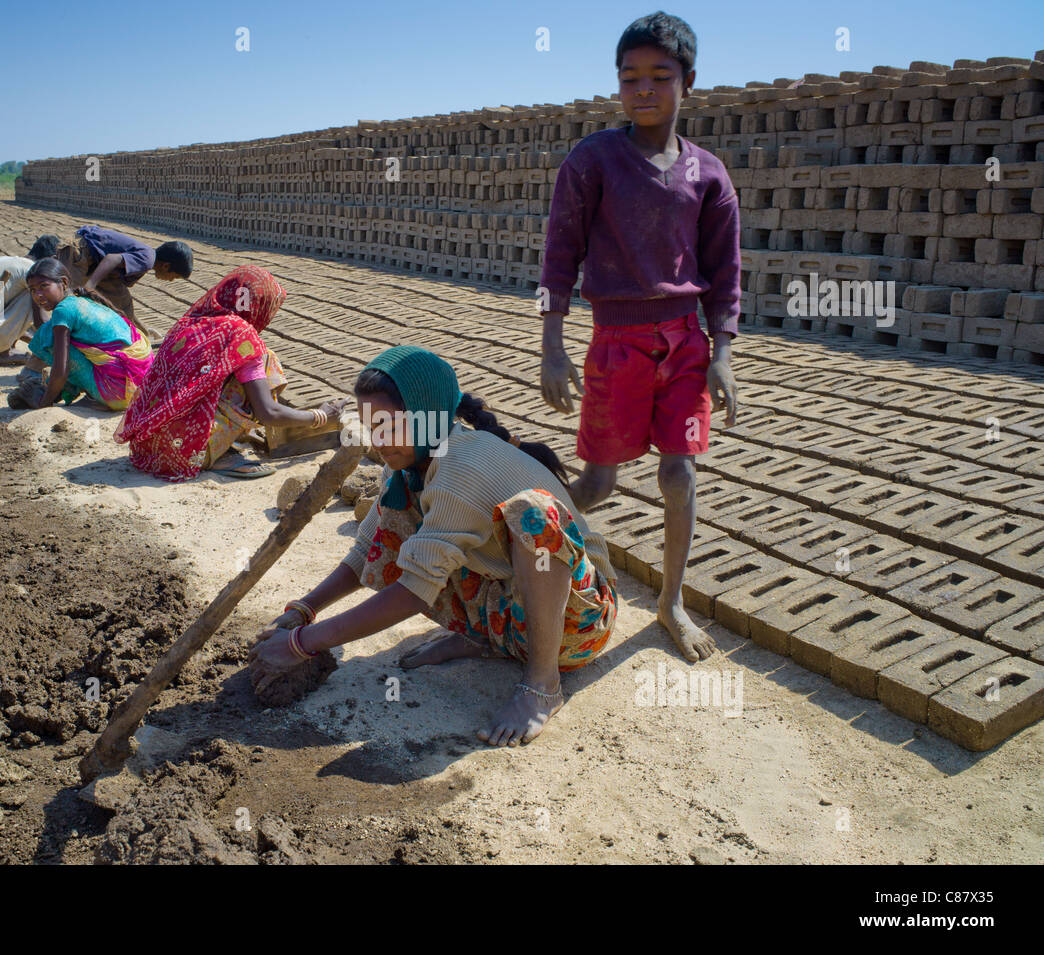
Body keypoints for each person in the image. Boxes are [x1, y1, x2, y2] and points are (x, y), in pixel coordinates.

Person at [249, 346, 619, 747]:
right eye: (372, 427)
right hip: (511, 620)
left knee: (533, 514)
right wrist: (304, 610)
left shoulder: (462, 465)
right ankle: (486, 639)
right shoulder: (413, 461)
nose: (379, 440)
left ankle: (542, 684)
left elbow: (413, 592)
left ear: (427, 416)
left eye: (390, 425)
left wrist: (303, 644)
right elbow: (368, 551)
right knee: (400, 508)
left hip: (580, 622)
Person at [537, 11, 739, 663]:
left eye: (660, 76)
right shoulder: (592, 161)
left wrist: (724, 351)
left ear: (689, 82)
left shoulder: (708, 176)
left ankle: (670, 601)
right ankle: (524, 550)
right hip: (615, 343)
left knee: (679, 476)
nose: (644, 89)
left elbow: (725, 270)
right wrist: (552, 342)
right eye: (630, 78)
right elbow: (558, 255)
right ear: (617, 86)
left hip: (684, 347)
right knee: (598, 485)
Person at [114, 265, 346, 479]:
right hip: (183, 454)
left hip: (146, 448)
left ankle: (226, 439)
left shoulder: (189, 322)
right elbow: (268, 412)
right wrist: (322, 416)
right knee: (267, 360)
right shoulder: (241, 336)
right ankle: (218, 452)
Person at [12, 258, 154, 411]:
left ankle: (84, 394)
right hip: (142, 384)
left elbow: (61, 368)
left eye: (43, 286)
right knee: (50, 333)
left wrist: (44, 404)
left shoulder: (64, 310)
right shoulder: (82, 301)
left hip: (120, 393)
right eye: (32, 290)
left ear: (64, 283)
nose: (38, 295)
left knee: (47, 336)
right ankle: (73, 391)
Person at [53, 226, 193, 341]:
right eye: (173, 277)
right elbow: (111, 259)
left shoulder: (146, 259)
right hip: (79, 251)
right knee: (69, 304)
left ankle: (140, 336)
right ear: (166, 266)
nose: (170, 281)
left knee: (121, 299)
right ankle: (48, 349)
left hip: (93, 262)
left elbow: (119, 295)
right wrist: (90, 286)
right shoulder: (147, 259)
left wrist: (141, 329)